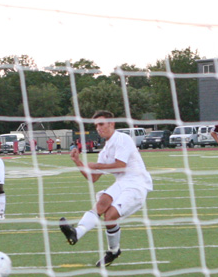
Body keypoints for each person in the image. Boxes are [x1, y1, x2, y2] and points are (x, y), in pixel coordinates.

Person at [59, 110, 153, 267]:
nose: (98, 128)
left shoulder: (123, 139)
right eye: (96, 126)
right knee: (103, 202)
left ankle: (112, 251)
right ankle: (77, 233)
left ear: (112, 123)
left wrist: (96, 165)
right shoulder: (105, 150)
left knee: (110, 216)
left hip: (137, 184)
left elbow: (121, 165)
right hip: (122, 182)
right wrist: (77, 161)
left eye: (101, 124)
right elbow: (93, 178)